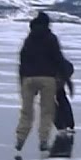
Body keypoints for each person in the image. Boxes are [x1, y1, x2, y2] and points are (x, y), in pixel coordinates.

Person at [15, 11, 69, 152]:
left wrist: (22, 81)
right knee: (47, 111)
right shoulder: (51, 38)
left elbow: (22, 59)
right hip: (47, 78)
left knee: (26, 111)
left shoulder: (29, 39)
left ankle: (20, 139)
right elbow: (58, 58)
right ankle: (43, 140)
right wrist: (66, 78)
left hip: (28, 78)